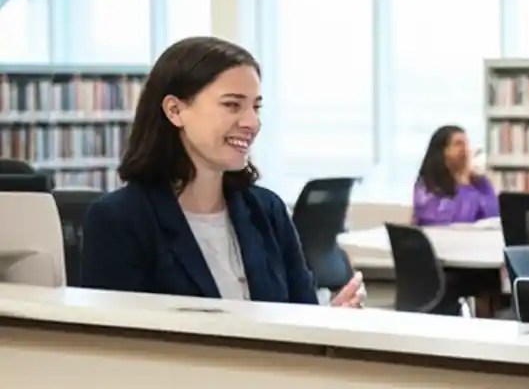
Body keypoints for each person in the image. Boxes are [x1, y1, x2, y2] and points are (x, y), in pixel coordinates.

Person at [81, 36, 364, 307]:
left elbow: (299, 317)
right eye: (232, 105)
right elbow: (120, 336)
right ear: (175, 111)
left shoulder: (268, 211)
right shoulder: (119, 219)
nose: (252, 122)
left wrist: (326, 324)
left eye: (256, 107)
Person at [412, 125, 498, 226]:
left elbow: (494, 217)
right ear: (443, 151)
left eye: (466, 144)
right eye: (458, 144)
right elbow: (453, 222)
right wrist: (464, 184)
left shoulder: (481, 183)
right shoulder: (427, 186)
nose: (464, 149)